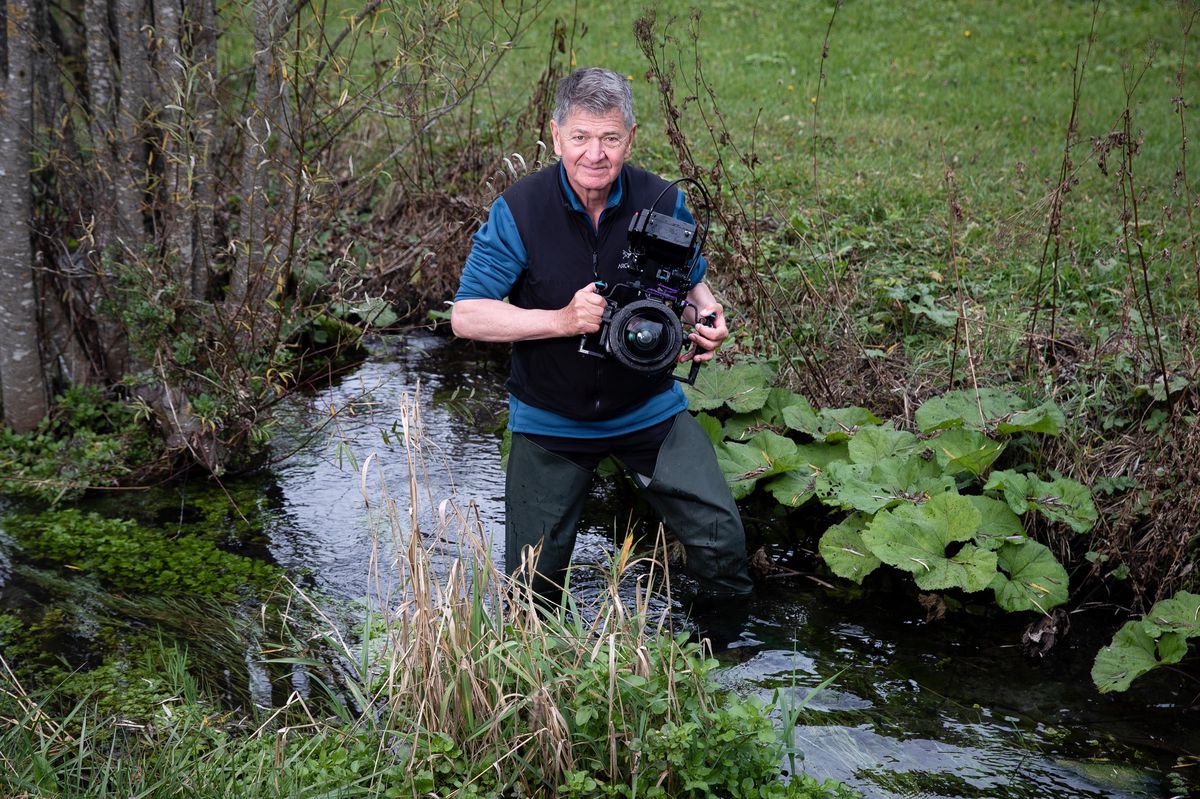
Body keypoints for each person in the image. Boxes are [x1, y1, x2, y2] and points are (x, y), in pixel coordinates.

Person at [451, 66, 752, 608]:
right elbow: (467, 316)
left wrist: (705, 312)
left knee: (721, 540)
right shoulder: (520, 211)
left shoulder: (662, 199)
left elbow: (683, 284)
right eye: (581, 137)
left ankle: (714, 661)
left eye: (611, 138)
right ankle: (541, 687)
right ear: (556, 134)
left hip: (646, 409)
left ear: (630, 138)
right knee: (531, 585)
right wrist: (561, 321)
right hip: (550, 418)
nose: (596, 153)